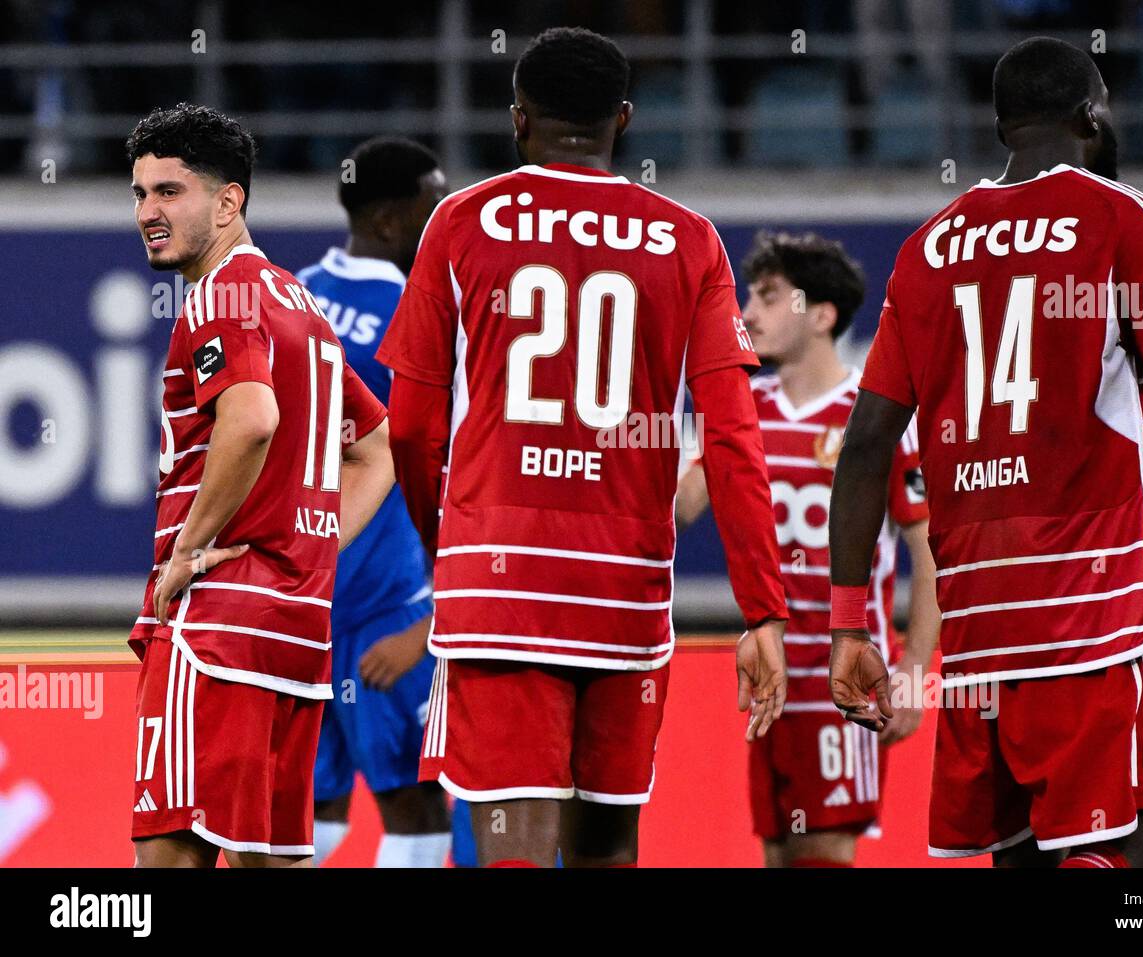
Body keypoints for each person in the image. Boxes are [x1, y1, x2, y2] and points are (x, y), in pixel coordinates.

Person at [828, 37, 1143, 868]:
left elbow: (865, 445)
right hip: (1094, 611)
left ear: (1003, 125)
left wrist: (846, 621)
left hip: (976, 627)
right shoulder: (1118, 213)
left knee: (1021, 853)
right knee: (1122, 848)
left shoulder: (928, 247)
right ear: (1093, 113)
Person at [377, 27, 789, 867]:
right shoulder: (689, 239)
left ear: (519, 120)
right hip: (623, 584)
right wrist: (763, 609)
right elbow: (735, 438)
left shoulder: (460, 223)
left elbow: (412, 426)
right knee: (608, 840)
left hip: (498, 574)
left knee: (512, 840)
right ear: (625, 121)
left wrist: (441, 540)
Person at [126, 103, 394, 867]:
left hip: (214, 630)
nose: (148, 211)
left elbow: (250, 419)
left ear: (228, 200)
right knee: (267, 860)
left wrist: (188, 550)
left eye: (170, 191)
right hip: (296, 634)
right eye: (140, 193)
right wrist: (306, 546)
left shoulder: (220, 296)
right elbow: (375, 450)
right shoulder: (299, 303)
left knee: (167, 860)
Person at [677, 231, 940, 867]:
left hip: (839, 678)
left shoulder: (875, 416)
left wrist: (914, 671)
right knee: (778, 854)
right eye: (746, 297)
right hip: (768, 678)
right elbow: (680, 509)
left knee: (823, 852)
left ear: (821, 315)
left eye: (767, 297)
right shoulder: (740, 412)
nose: (746, 313)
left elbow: (928, 551)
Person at [298, 137, 454, 867]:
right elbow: (446, 464)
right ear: (392, 220)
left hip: (304, 594)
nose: (446, 220)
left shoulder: (291, 293)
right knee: (416, 803)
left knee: (310, 805)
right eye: (434, 206)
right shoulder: (414, 314)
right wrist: (435, 617)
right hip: (388, 598)